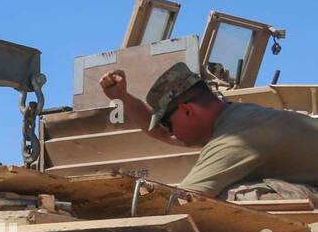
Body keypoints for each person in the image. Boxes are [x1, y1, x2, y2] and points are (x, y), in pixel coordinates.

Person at [99, 62, 318, 197]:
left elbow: (183, 200)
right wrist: (124, 98)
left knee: (231, 198)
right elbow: (161, 133)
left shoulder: (237, 139)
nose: (170, 132)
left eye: (168, 123)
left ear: (187, 111)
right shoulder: (236, 118)